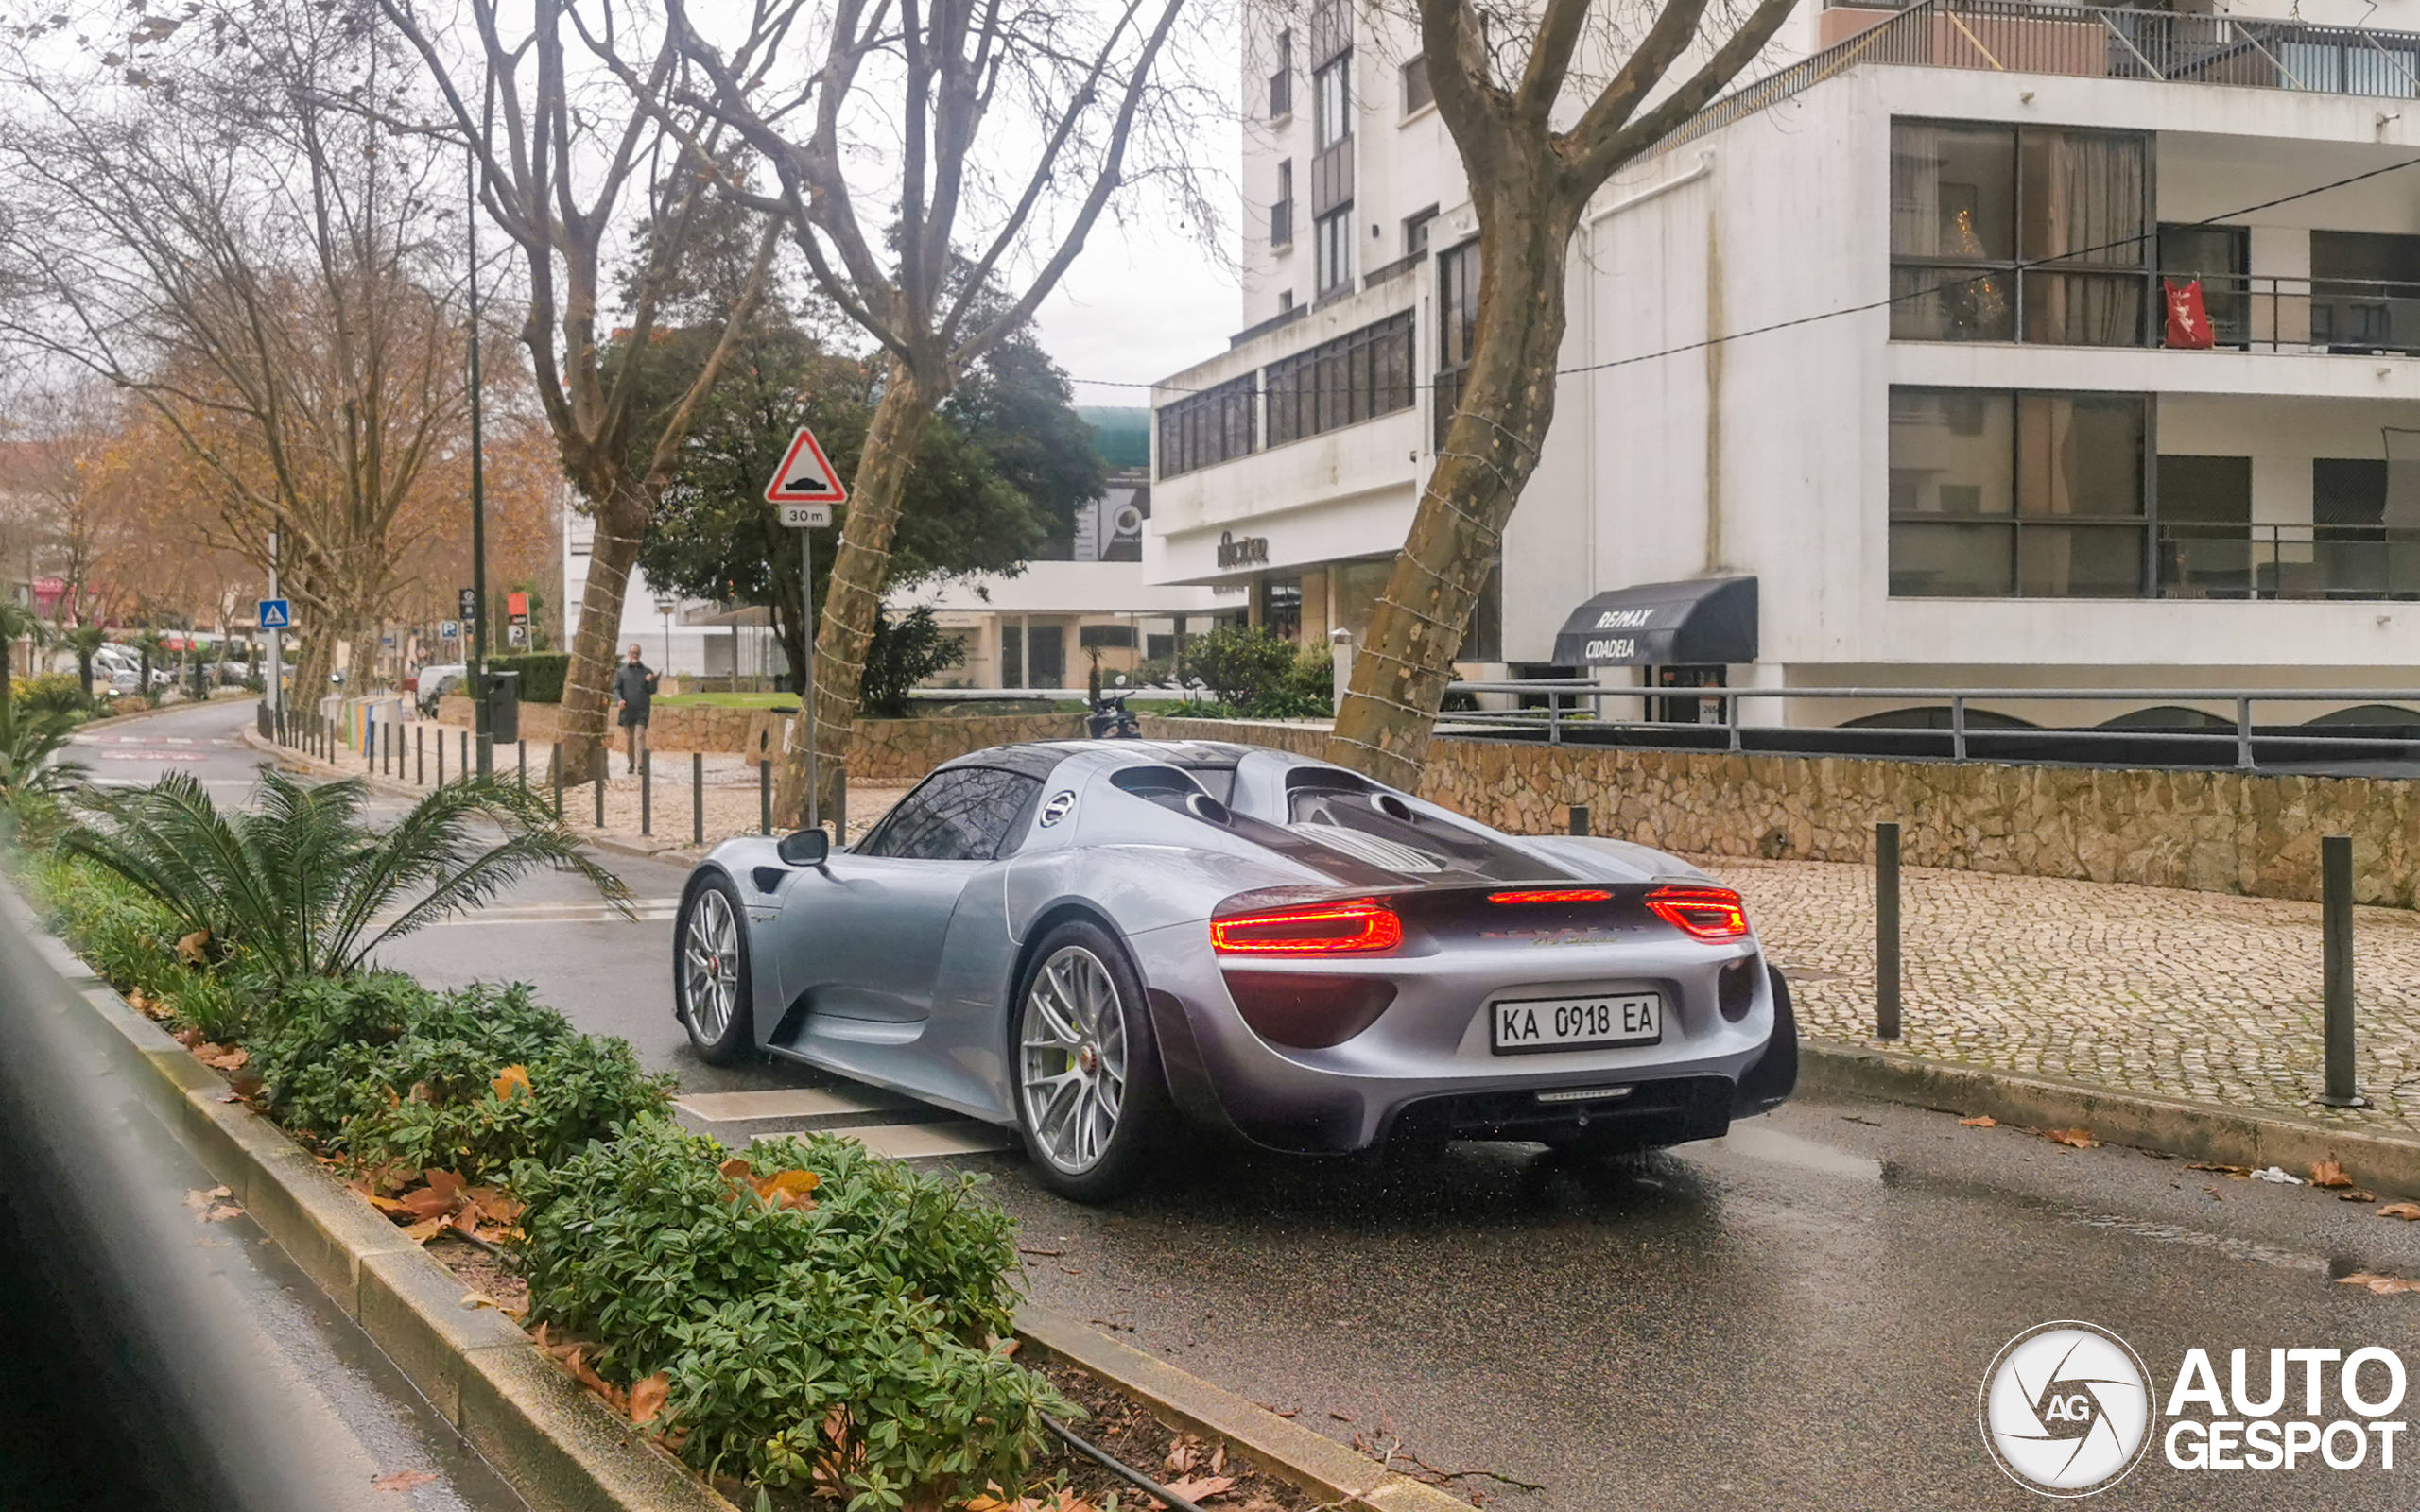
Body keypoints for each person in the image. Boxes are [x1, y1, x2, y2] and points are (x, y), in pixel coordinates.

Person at [612, 644, 659, 773]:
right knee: (629, 739)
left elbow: (652, 690)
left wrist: (651, 681)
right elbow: (616, 688)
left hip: (642, 710)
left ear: (640, 654)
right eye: (633, 653)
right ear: (628, 654)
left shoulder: (646, 671)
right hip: (627, 710)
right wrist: (619, 700)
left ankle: (641, 764)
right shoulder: (622, 672)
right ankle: (631, 763)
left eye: (637, 653)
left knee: (640, 737)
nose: (635, 655)